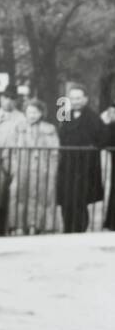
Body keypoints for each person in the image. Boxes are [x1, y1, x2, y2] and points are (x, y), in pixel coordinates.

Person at [56, 85, 111, 233]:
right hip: (67, 165)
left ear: (85, 99)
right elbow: (59, 136)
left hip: (84, 167)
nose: (75, 101)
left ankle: (79, 231)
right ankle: (67, 230)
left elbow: (103, 138)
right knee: (66, 200)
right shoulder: (64, 114)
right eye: (72, 98)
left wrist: (91, 148)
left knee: (80, 200)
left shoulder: (93, 117)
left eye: (78, 98)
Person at [8, 100, 59, 234]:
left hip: (42, 167)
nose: (32, 115)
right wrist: (13, 167)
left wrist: (51, 168)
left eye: (35, 112)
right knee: (19, 195)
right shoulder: (18, 127)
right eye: (30, 112)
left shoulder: (49, 128)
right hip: (22, 166)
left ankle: (37, 225)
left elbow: (55, 151)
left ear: (41, 113)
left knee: (42, 196)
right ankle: (17, 225)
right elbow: (11, 149)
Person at [0, 90, 27, 234]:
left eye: (12, 98)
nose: (8, 101)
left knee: (10, 195)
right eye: (6, 97)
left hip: (13, 158)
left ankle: (5, 228)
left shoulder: (21, 118)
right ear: (1, 98)